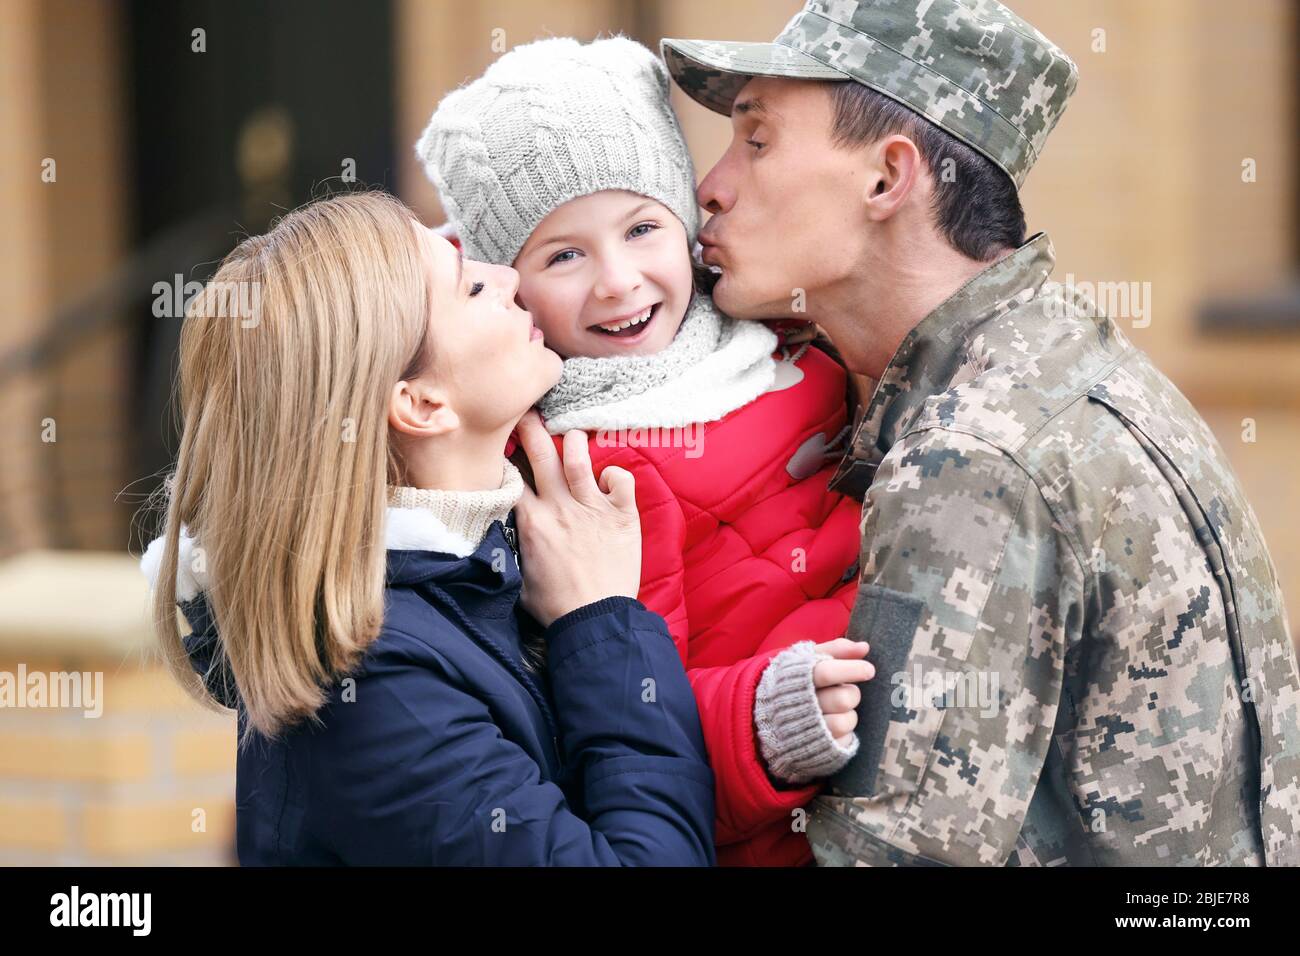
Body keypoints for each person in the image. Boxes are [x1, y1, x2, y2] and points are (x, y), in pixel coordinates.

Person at [661, 0, 1300, 865]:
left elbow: (892, 858)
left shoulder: (971, 459)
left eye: (758, 139)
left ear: (887, 178)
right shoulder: (1063, 363)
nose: (712, 185)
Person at [140, 191, 716, 865]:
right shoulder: (377, 692)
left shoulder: (482, 579)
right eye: (470, 287)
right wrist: (602, 620)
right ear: (420, 403)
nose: (509, 279)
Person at [418, 35, 873, 866]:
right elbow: (629, 707)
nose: (618, 280)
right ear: (508, 284)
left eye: (641, 228)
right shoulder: (584, 472)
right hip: (779, 804)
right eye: (564, 254)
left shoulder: (776, 331)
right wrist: (762, 718)